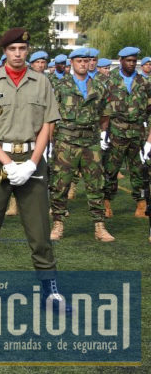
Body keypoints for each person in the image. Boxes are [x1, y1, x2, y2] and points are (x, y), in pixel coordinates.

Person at [0, 27, 68, 313]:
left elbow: (48, 123)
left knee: (39, 230)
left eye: (22, 49)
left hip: (32, 157)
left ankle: (50, 291)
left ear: (27, 51)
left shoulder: (41, 82)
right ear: (5, 52)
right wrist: (7, 163)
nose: (18, 54)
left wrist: (33, 161)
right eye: (12, 49)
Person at [48, 48, 113, 242]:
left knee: (96, 185)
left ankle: (99, 226)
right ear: (72, 63)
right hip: (66, 142)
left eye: (87, 61)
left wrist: (102, 135)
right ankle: (58, 224)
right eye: (80, 61)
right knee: (60, 184)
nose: (84, 64)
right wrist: (50, 142)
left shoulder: (99, 86)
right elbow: (51, 116)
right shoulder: (60, 86)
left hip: (90, 142)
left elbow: (105, 114)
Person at [102, 47, 151, 218]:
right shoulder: (109, 81)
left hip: (138, 132)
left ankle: (141, 204)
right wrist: (102, 132)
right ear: (121, 60)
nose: (131, 64)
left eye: (134, 61)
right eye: (128, 60)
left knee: (139, 170)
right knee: (111, 170)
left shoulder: (144, 82)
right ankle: (106, 203)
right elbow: (103, 109)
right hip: (116, 132)